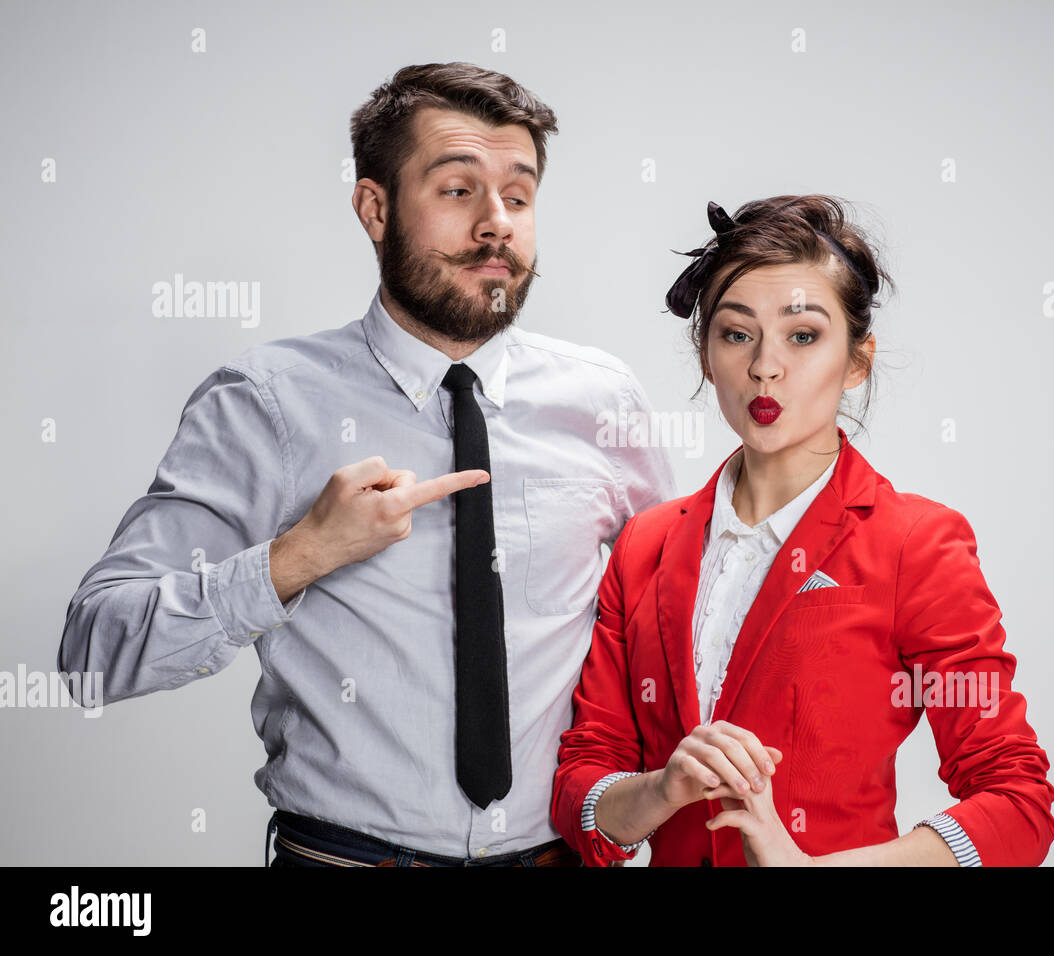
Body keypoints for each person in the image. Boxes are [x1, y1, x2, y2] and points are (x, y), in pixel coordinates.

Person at [58, 62, 676, 867]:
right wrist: (299, 556)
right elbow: (93, 655)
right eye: (458, 190)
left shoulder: (603, 401)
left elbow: (670, 633)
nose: (496, 224)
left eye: (518, 197)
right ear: (374, 208)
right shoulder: (264, 404)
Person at [551, 195, 1054, 866]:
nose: (765, 366)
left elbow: (1017, 803)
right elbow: (582, 784)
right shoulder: (645, 545)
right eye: (736, 333)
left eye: (803, 335)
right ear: (706, 354)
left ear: (857, 360)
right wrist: (661, 789)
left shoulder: (916, 545)